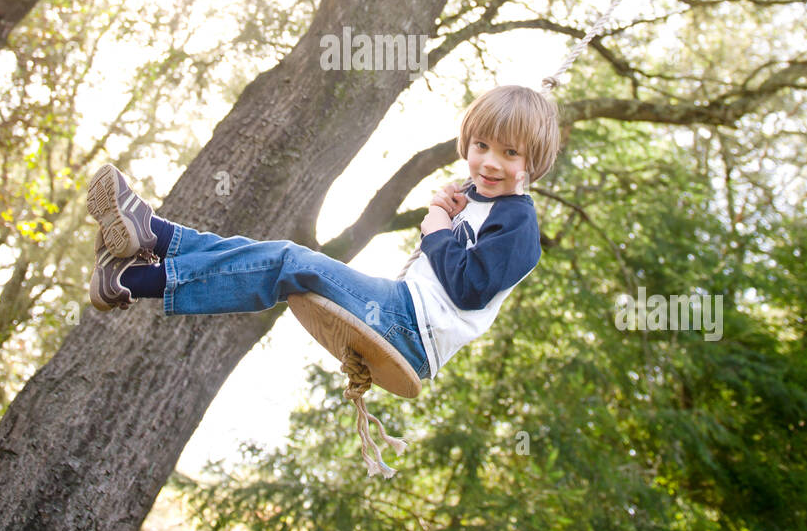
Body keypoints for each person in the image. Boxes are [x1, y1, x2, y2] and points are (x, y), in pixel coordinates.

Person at [87, 84, 560, 386]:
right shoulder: (477, 201)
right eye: (481, 146)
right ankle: (155, 239)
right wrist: (446, 210)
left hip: (410, 329)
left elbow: (469, 287)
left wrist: (436, 228)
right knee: (275, 259)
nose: (490, 162)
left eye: (510, 153)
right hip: (401, 311)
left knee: (291, 262)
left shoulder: (520, 226)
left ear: (532, 162)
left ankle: (133, 280)